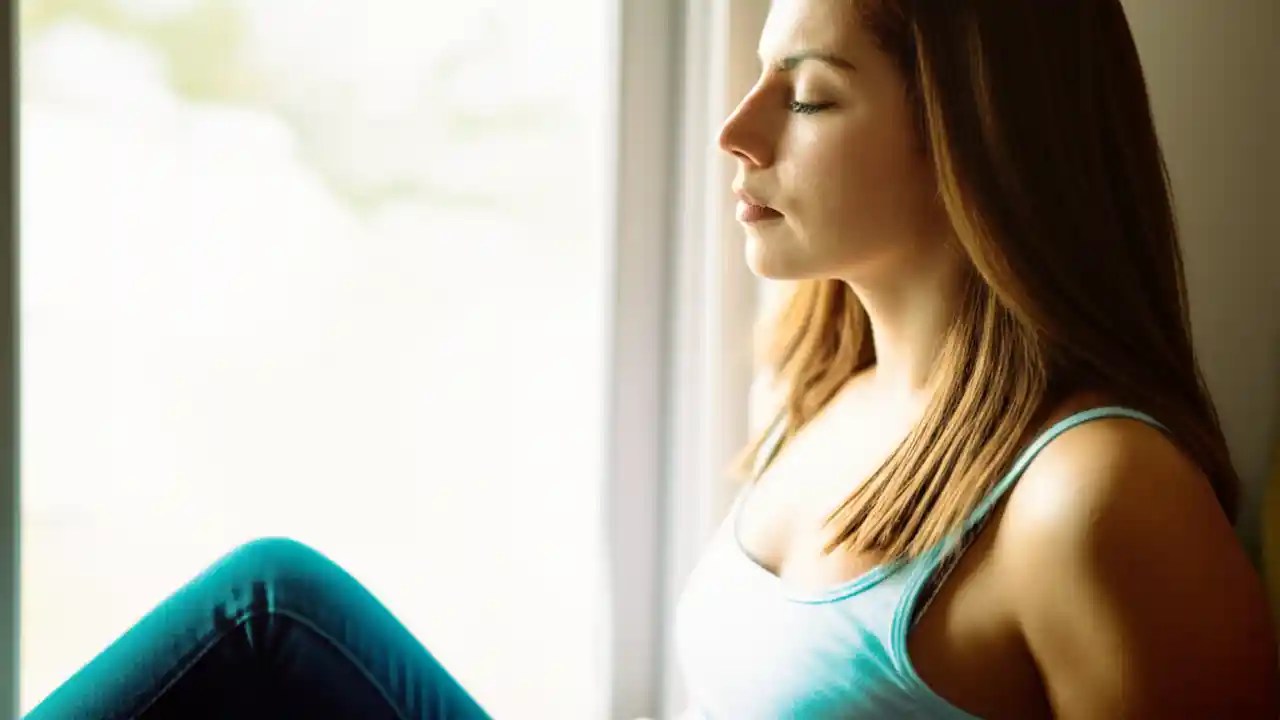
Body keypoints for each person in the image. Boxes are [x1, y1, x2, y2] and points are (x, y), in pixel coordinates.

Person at [26, 0, 1279, 718]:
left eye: (809, 94)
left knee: (272, 615)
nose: (734, 133)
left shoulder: (1095, 499)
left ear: (972, 137)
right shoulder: (822, 391)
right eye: (753, 80)